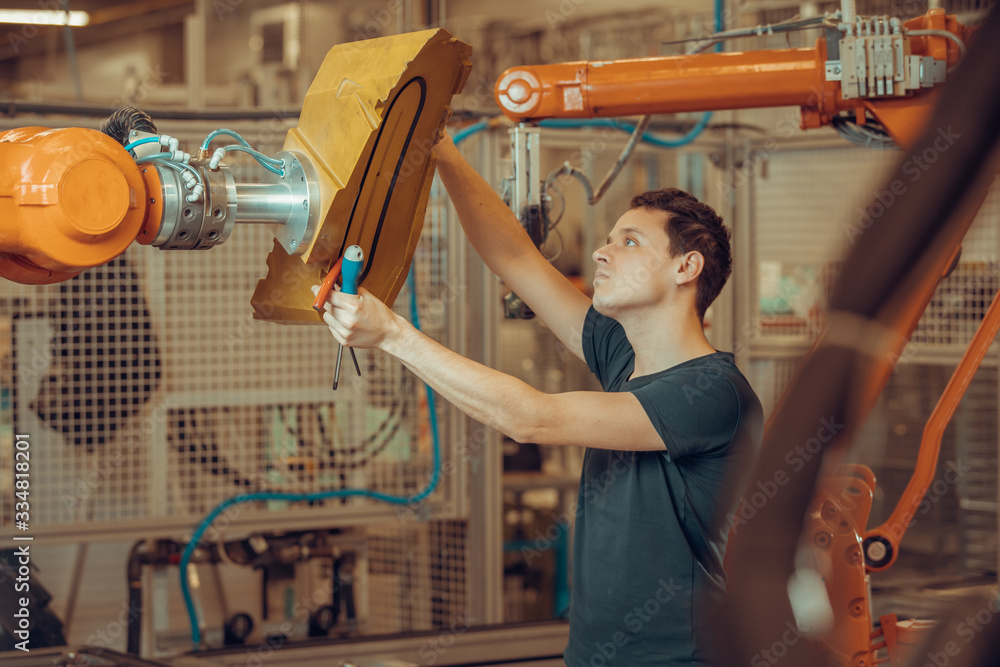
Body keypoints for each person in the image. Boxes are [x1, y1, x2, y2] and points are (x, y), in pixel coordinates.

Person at [312, 132, 763, 665]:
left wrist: (393, 335)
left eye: (631, 241)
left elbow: (532, 419)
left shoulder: (712, 394)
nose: (601, 249)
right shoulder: (624, 355)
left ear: (687, 268)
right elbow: (514, 256)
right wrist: (442, 151)